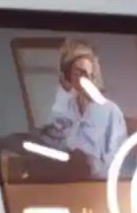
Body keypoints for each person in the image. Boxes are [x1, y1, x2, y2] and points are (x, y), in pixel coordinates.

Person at [36, 39, 129, 179]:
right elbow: (51, 146)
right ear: (68, 77)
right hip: (64, 180)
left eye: (87, 74)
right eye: (77, 73)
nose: (82, 79)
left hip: (98, 185)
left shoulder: (111, 112)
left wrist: (91, 165)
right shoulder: (62, 110)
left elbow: (119, 159)